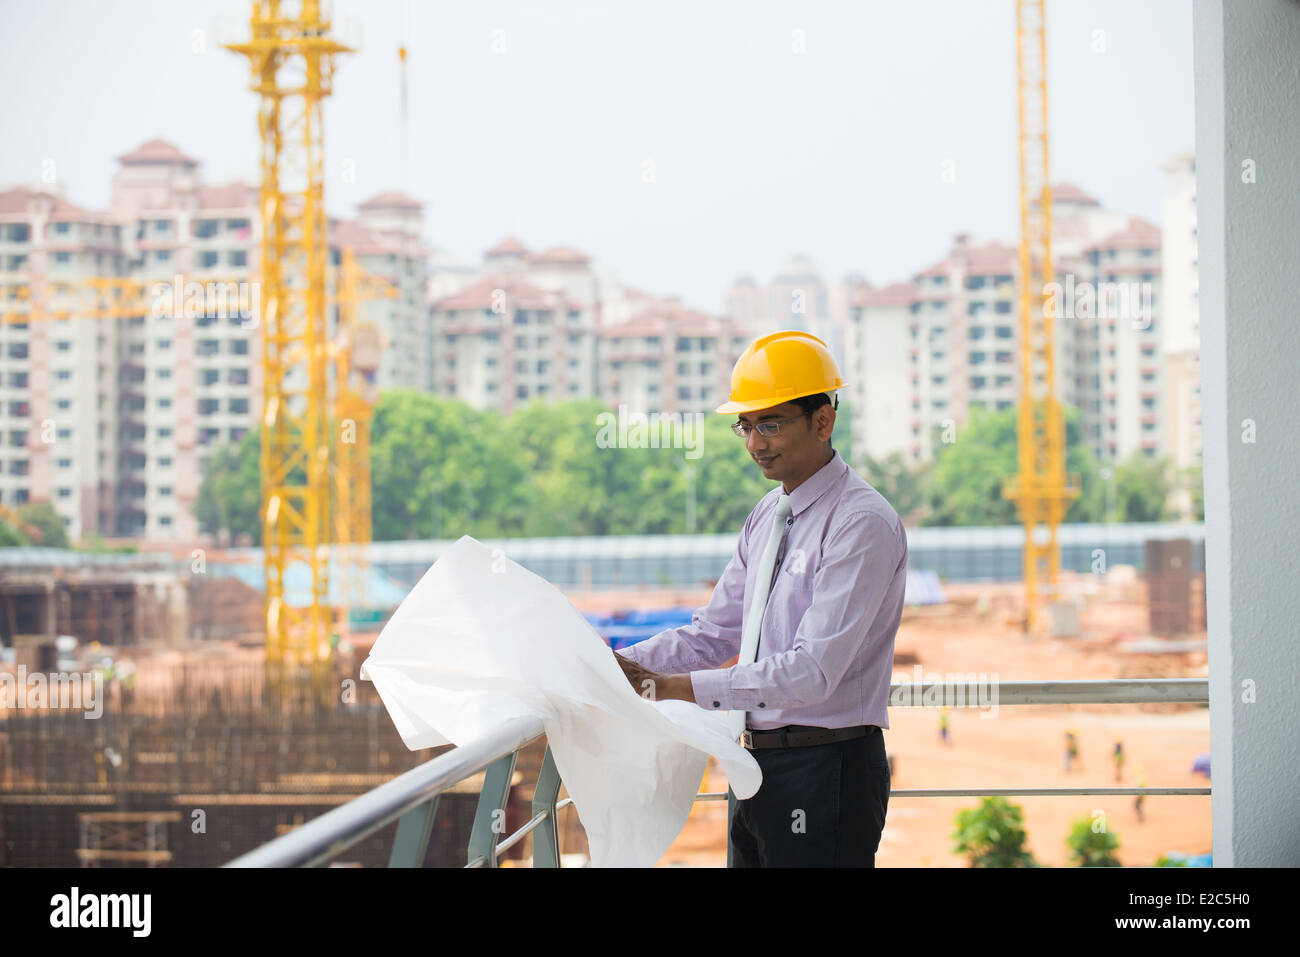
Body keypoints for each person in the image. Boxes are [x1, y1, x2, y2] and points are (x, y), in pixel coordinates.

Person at [615, 330, 908, 867]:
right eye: (745, 425)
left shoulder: (859, 523)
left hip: (826, 771)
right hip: (753, 768)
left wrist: (675, 689)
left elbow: (813, 672)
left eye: (770, 424)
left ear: (823, 420)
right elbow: (714, 633)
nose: (754, 443)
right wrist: (620, 664)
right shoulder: (768, 515)